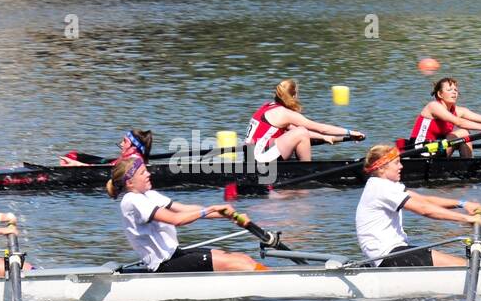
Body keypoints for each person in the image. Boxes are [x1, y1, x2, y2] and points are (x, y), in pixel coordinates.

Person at [107, 156, 267, 272]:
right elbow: (176, 220)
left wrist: (229, 214)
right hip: (164, 265)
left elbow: (183, 209)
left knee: (242, 258)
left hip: (175, 255)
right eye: (143, 173)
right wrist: (211, 209)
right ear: (129, 182)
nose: (148, 174)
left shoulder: (148, 195)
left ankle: (266, 275)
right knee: (239, 265)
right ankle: (271, 282)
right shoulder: (132, 201)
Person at [355, 144, 481, 267]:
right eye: (396, 163)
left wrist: (463, 204)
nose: (401, 166)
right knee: (465, 266)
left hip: (393, 252)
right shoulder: (381, 188)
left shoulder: (387, 185)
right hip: (387, 255)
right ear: (381, 168)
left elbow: (424, 201)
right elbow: (424, 210)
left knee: (462, 264)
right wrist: (467, 219)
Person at [244, 79, 364, 162]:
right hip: (258, 158)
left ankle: (301, 165)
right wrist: (350, 132)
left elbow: (298, 132)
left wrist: (326, 138)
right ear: (294, 96)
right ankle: (306, 169)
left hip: (249, 155)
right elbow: (321, 128)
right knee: (301, 132)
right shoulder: (285, 113)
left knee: (300, 132)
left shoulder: (267, 107)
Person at [58, 129, 153, 166]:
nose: (122, 144)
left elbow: (102, 171)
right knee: (72, 155)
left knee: (72, 159)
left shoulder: (132, 160)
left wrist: (75, 164)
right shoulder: (133, 157)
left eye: (125, 141)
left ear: (133, 146)